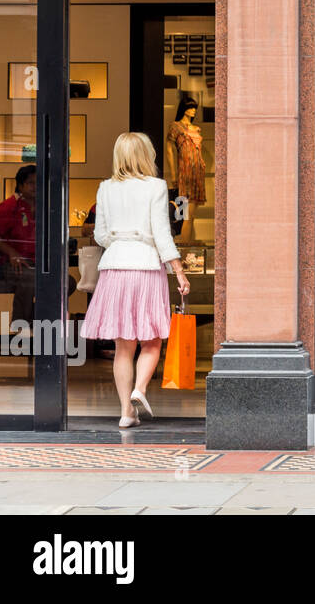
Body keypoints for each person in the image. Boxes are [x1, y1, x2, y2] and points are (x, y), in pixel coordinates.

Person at [82, 132, 191, 428]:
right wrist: (179, 271)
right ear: (146, 155)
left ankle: (125, 414)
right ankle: (139, 390)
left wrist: (120, 239)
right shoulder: (155, 187)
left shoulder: (105, 189)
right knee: (152, 340)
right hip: (145, 264)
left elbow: (100, 234)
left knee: (123, 346)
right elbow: (162, 234)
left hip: (115, 266)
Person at [0, 164, 38, 328]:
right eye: (31, 183)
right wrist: (12, 253)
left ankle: (40, 321)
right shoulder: (9, 207)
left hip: (35, 264)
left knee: (67, 282)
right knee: (30, 277)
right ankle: (21, 325)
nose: (36, 187)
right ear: (20, 185)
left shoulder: (44, 207)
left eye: (39, 182)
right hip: (7, 266)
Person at [165, 96, 206, 244]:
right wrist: (174, 175)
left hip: (198, 174)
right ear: (184, 108)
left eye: (195, 108)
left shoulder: (197, 129)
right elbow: (169, 151)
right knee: (186, 215)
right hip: (185, 173)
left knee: (191, 215)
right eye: (190, 107)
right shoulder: (176, 126)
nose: (193, 110)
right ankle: (184, 249)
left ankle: (186, 247)